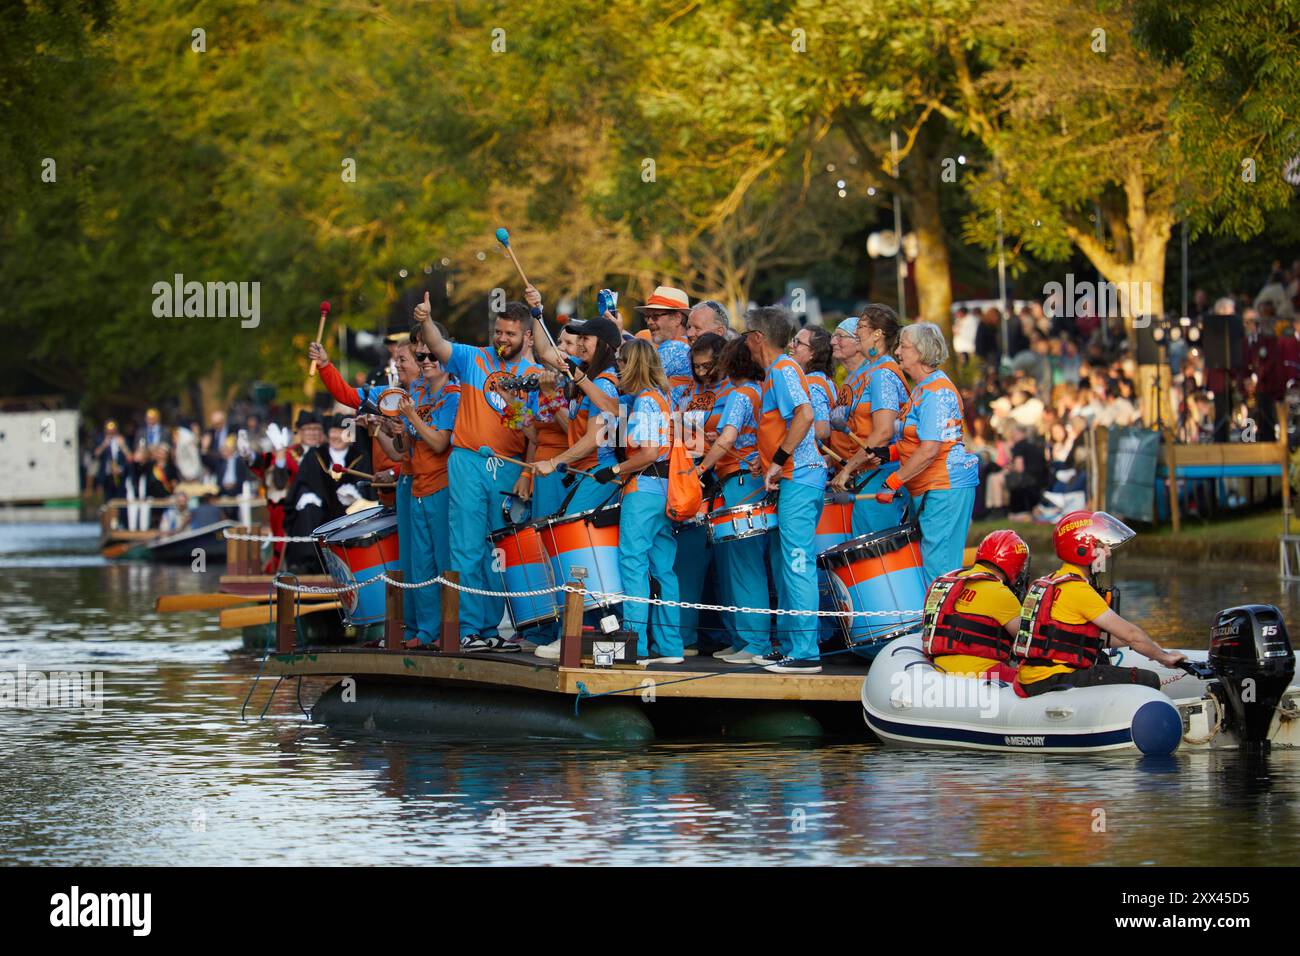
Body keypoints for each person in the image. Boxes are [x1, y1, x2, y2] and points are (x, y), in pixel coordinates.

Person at [415, 292, 538, 652]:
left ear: (527, 337)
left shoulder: (533, 376)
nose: (501, 339)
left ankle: (493, 628)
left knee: (499, 551)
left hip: (508, 466)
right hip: (467, 460)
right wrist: (425, 320)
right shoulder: (474, 358)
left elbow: (533, 433)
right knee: (466, 546)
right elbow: (438, 344)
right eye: (498, 331)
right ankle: (469, 628)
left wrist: (526, 476)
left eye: (510, 334)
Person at [1016, 511, 1186, 695]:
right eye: (1102, 546)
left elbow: (1082, 637)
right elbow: (1131, 635)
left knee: (1102, 659)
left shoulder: (1046, 582)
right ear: (1082, 550)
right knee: (1148, 679)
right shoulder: (1078, 590)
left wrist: (1151, 646)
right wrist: (1164, 657)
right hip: (1055, 678)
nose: (1108, 552)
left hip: (1032, 678)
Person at [588, 338, 683, 664]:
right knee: (664, 571)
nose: (617, 369)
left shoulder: (644, 401)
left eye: (621, 363)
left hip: (642, 491)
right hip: (666, 491)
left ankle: (636, 646)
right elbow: (611, 406)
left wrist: (614, 469)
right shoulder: (662, 397)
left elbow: (648, 452)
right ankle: (671, 646)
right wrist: (580, 379)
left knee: (633, 567)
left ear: (634, 365)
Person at [745, 305, 826, 674]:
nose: (744, 342)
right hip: (793, 479)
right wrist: (766, 460)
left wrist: (777, 460)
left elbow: (805, 415)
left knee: (797, 564)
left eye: (747, 335)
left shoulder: (783, 369)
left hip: (800, 478)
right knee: (787, 565)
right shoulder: (775, 373)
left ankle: (806, 652)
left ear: (758, 338)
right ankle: (794, 644)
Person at [874, 321, 979, 586]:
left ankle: (939, 627)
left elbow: (930, 448)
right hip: (931, 485)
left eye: (904, 346)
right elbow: (915, 441)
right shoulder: (922, 388)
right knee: (933, 565)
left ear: (921, 352)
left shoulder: (936, 391)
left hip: (944, 484)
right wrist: (887, 454)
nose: (897, 351)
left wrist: (893, 481)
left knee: (939, 568)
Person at [692, 337, 771, 662]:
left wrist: (700, 469)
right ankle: (742, 638)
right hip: (740, 480)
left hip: (739, 480)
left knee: (744, 564)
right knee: (736, 565)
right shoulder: (758, 390)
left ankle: (754, 641)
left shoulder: (740, 395)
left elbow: (728, 438)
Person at [395, 346, 460, 647]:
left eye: (433, 356)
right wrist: (396, 430)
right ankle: (426, 631)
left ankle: (449, 630)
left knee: (444, 561)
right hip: (417, 486)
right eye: (421, 357)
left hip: (442, 485)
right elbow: (406, 449)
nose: (427, 362)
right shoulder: (417, 392)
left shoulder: (453, 394)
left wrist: (411, 417)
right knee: (421, 565)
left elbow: (438, 442)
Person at [672, 332, 732, 653]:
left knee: (726, 570)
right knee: (688, 564)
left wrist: (695, 434)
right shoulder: (688, 391)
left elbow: (724, 436)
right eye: (697, 367)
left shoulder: (732, 390)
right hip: (689, 481)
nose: (702, 373)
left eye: (708, 366)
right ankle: (686, 638)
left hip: (718, 481)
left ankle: (731, 638)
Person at [831, 304, 910, 534]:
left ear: (877, 334)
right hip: (873, 475)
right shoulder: (875, 371)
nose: (857, 333)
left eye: (862, 327)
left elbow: (884, 432)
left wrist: (847, 469)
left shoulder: (883, 374)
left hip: (882, 474)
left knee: (878, 561)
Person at [920, 530, 1029, 678]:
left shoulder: (946, 581)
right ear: (1014, 566)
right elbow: (1029, 641)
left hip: (938, 668)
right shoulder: (1000, 592)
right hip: (979, 673)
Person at [636, 285, 694, 405]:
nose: (649, 322)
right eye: (647, 317)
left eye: (655, 316)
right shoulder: (685, 345)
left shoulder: (674, 348)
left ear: (677, 318)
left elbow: (631, 379)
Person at [826, 317, 868, 465]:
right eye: (833, 336)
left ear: (859, 342)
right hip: (847, 472)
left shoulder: (872, 377)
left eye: (840, 336)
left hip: (867, 473)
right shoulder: (848, 379)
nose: (833, 342)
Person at [790, 325, 834, 444]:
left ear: (813, 353)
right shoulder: (821, 378)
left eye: (797, 342)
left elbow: (821, 430)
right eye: (793, 340)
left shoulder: (812, 384)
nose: (791, 345)